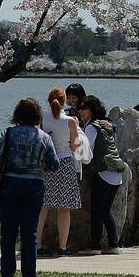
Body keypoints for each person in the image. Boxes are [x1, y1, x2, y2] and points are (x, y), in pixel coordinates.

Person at [0, 98, 60, 277]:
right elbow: (54, 164)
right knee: (30, 232)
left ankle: (7, 274)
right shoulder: (44, 137)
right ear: (37, 116)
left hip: (10, 183)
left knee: (8, 232)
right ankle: (29, 274)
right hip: (34, 185)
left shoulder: (9, 133)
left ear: (17, 114)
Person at [77, 96, 126, 254]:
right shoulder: (106, 125)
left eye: (84, 107)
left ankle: (95, 246)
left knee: (97, 211)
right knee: (105, 211)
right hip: (116, 173)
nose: (80, 111)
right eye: (79, 107)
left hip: (103, 172)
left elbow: (87, 151)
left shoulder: (92, 127)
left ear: (93, 109)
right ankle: (113, 244)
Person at [38, 87, 80, 257]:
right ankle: (62, 246)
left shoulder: (42, 119)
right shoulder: (70, 121)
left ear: (49, 101)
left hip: (47, 164)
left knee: (43, 206)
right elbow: (75, 146)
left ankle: (37, 244)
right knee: (64, 208)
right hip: (65, 163)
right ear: (65, 102)